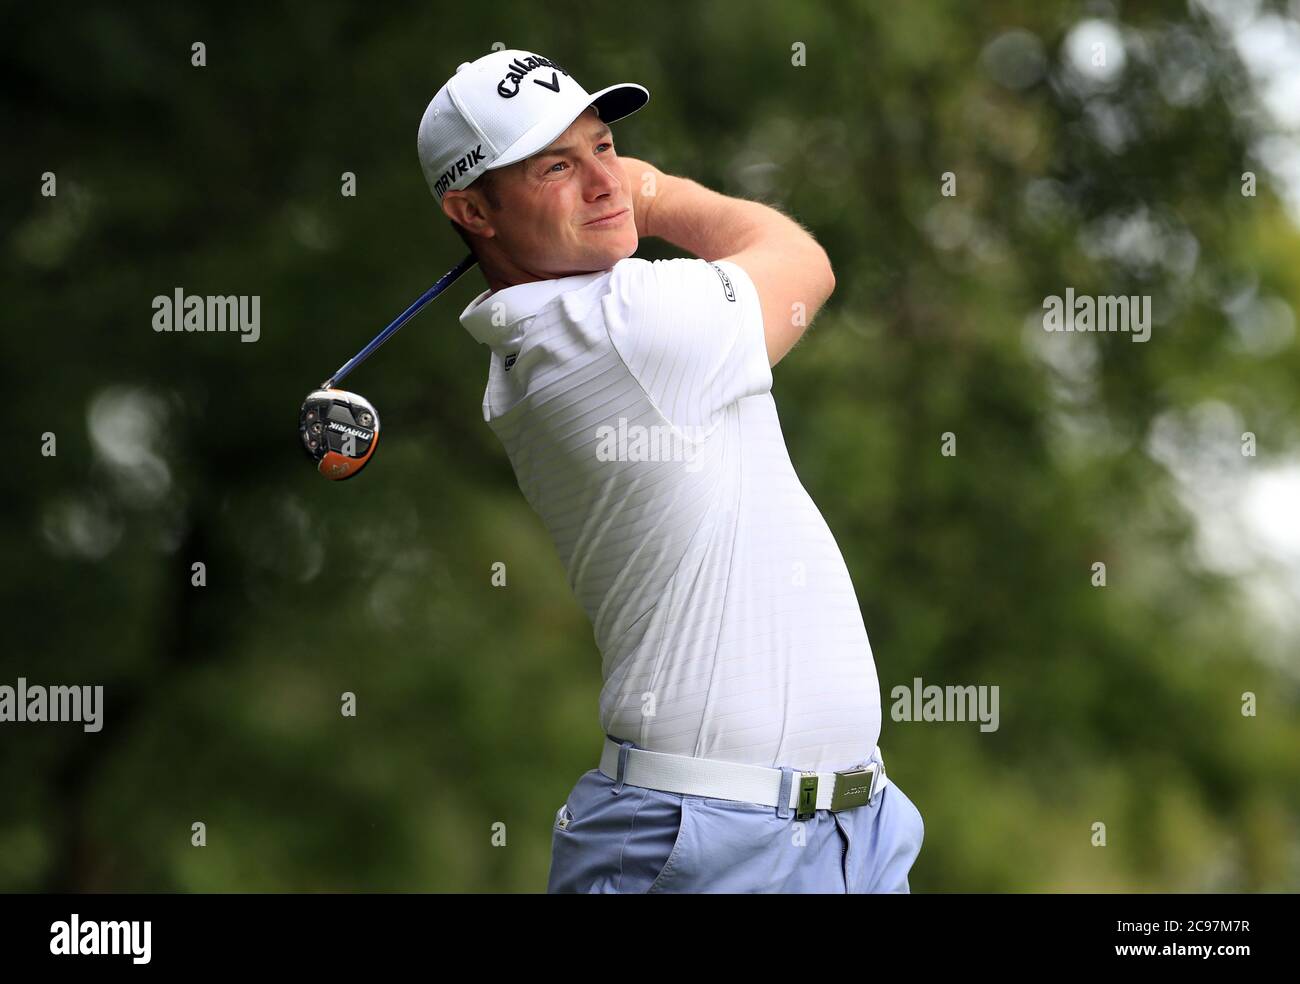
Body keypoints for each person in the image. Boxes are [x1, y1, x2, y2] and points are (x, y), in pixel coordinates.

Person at [417, 48, 924, 893]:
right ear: (473, 209)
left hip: (852, 834)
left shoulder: (564, 328)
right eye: (556, 166)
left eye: (605, 149)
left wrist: (600, 187)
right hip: (707, 846)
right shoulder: (622, 324)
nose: (603, 183)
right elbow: (805, 268)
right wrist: (659, 194)